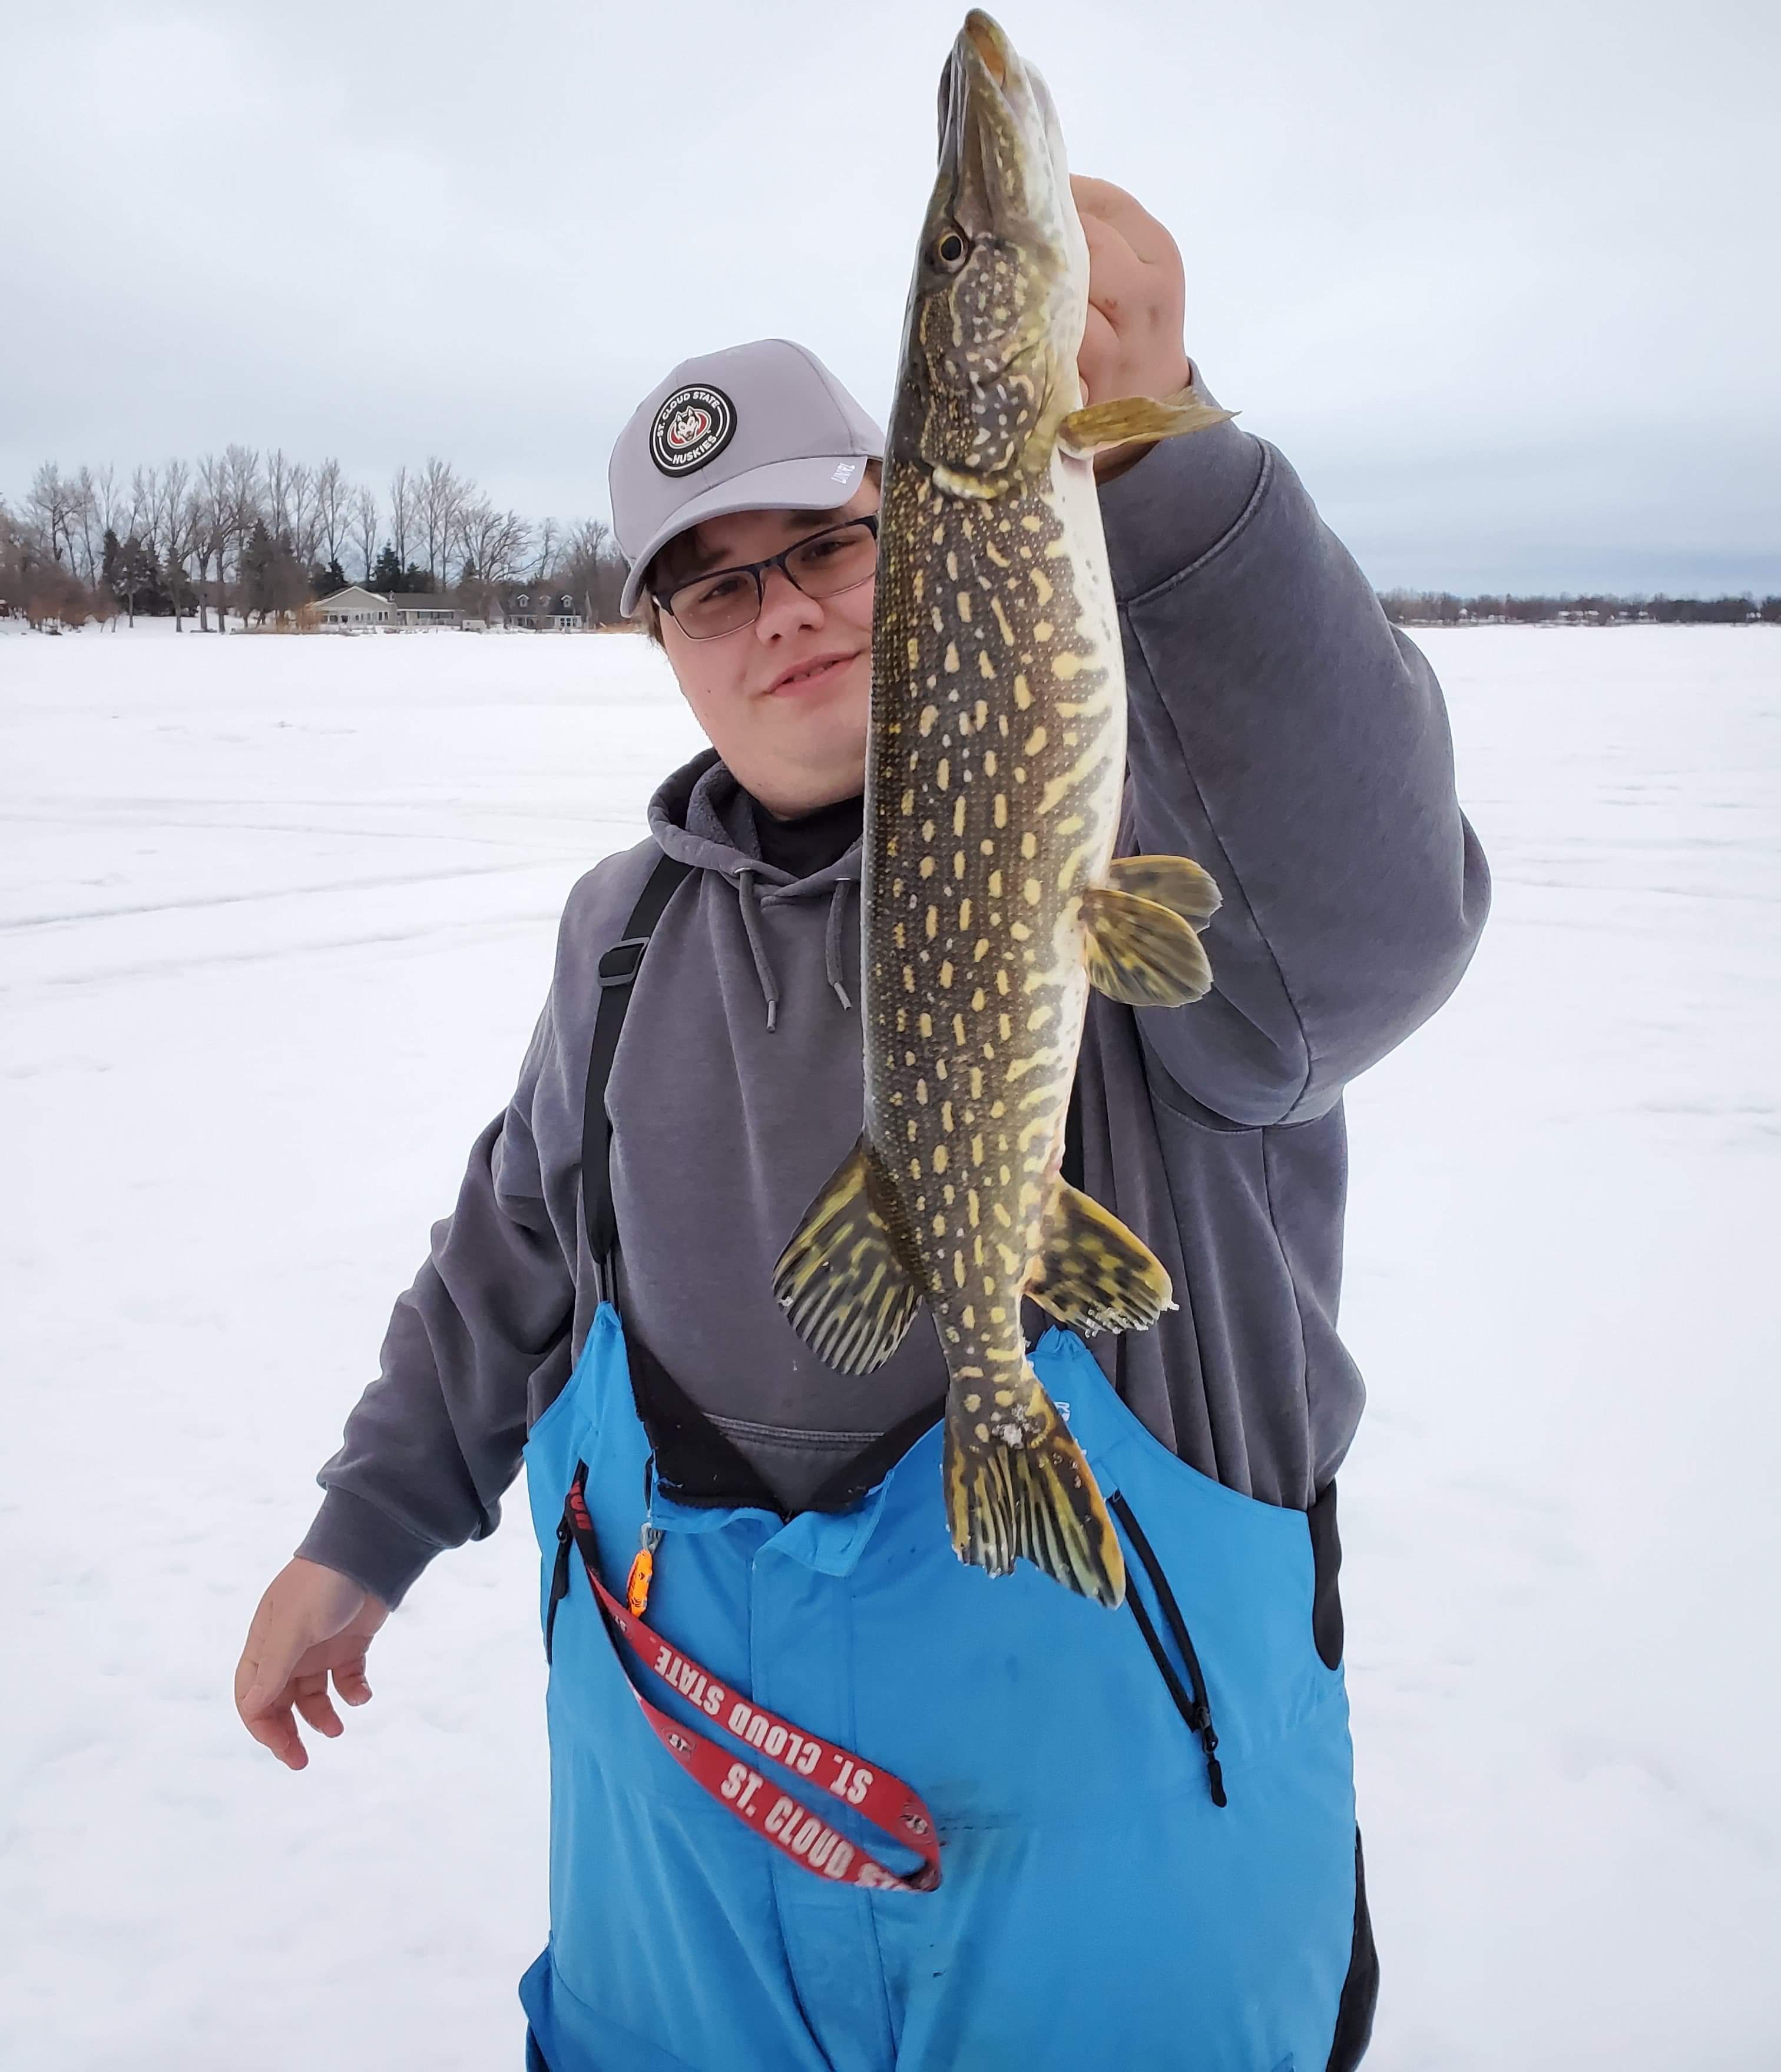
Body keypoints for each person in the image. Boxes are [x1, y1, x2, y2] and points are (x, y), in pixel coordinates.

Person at [235, 177, 1488, 2071]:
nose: (788, 615)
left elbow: (1383, 922)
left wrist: (1172, 466)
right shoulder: (624, 932)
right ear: (664, 640)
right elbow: (512, 1250)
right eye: (714, 583)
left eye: (826, 542)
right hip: (686, 1922)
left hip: (1107, 1921)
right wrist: (371, 1523)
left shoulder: (1128, 853)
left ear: (932, 532)